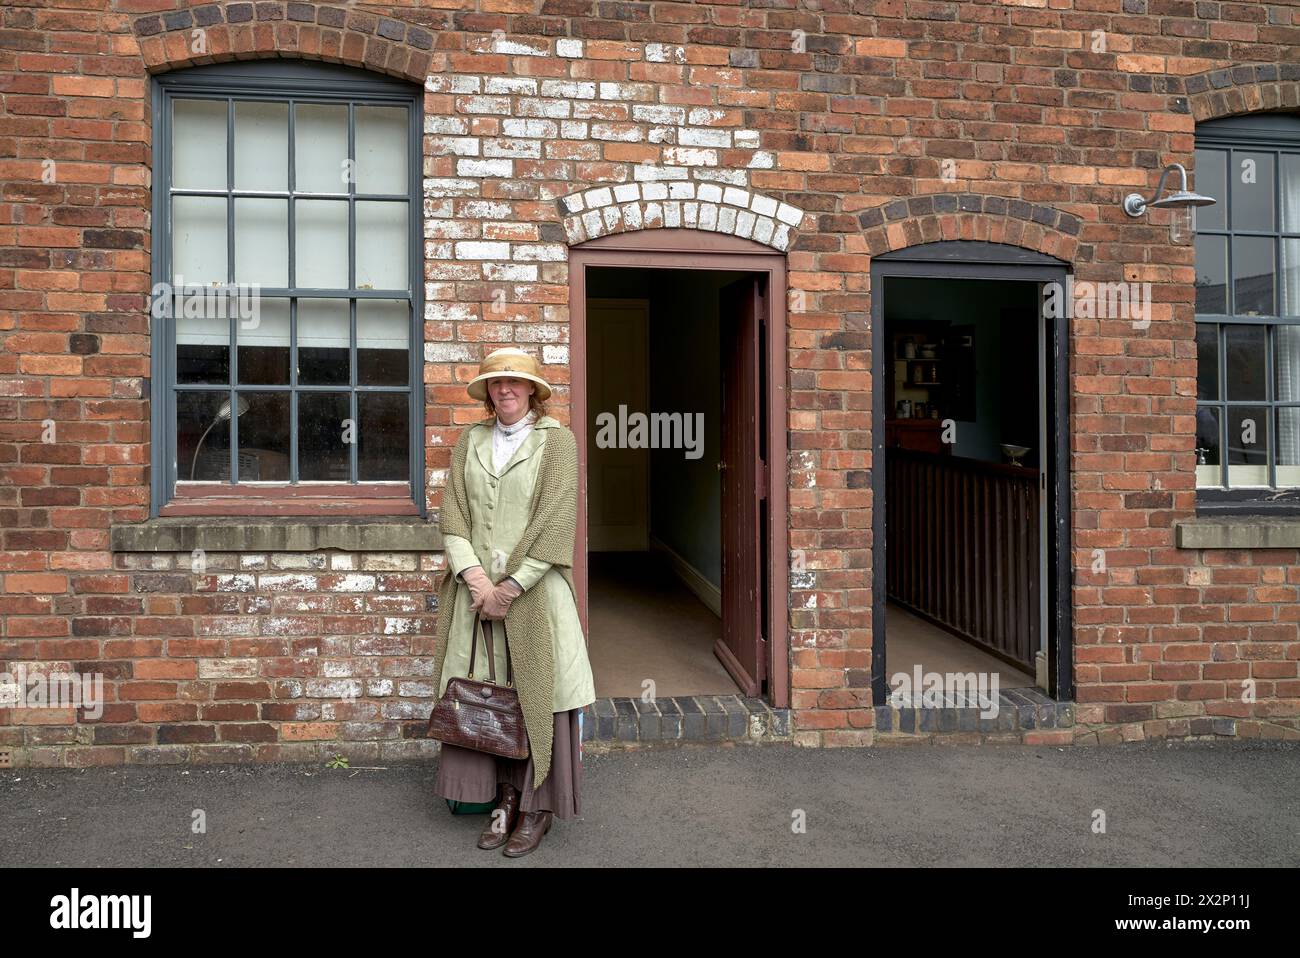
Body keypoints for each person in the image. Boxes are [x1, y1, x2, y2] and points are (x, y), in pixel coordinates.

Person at [430, 347, 595, 858]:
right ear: (488, 392)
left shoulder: (557, 442)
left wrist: (512, 585)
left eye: (515, 383)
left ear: (532, 391)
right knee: (487, 696)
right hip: (476, 595)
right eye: (497, 383)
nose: (505, 389)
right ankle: (501, 800)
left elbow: (556, 518)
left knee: (536, 695)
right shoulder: (471, 441)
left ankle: (536, 809)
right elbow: (453, 514)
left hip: (535, 594)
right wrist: (477, 580)